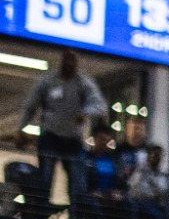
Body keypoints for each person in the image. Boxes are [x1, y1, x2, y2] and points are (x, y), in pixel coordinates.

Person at [19, 49, 105, 209]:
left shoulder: (83, 83)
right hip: (50, 136)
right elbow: (30, 106)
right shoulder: (48, 81)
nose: (70, 65)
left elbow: (100, 105)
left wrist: (85, 112)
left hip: (72, 140)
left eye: (73, 61)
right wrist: (21, 128)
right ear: (61, 62)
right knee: (45, 179)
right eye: (67, 60)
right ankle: (40, 215)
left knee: (78, 183)